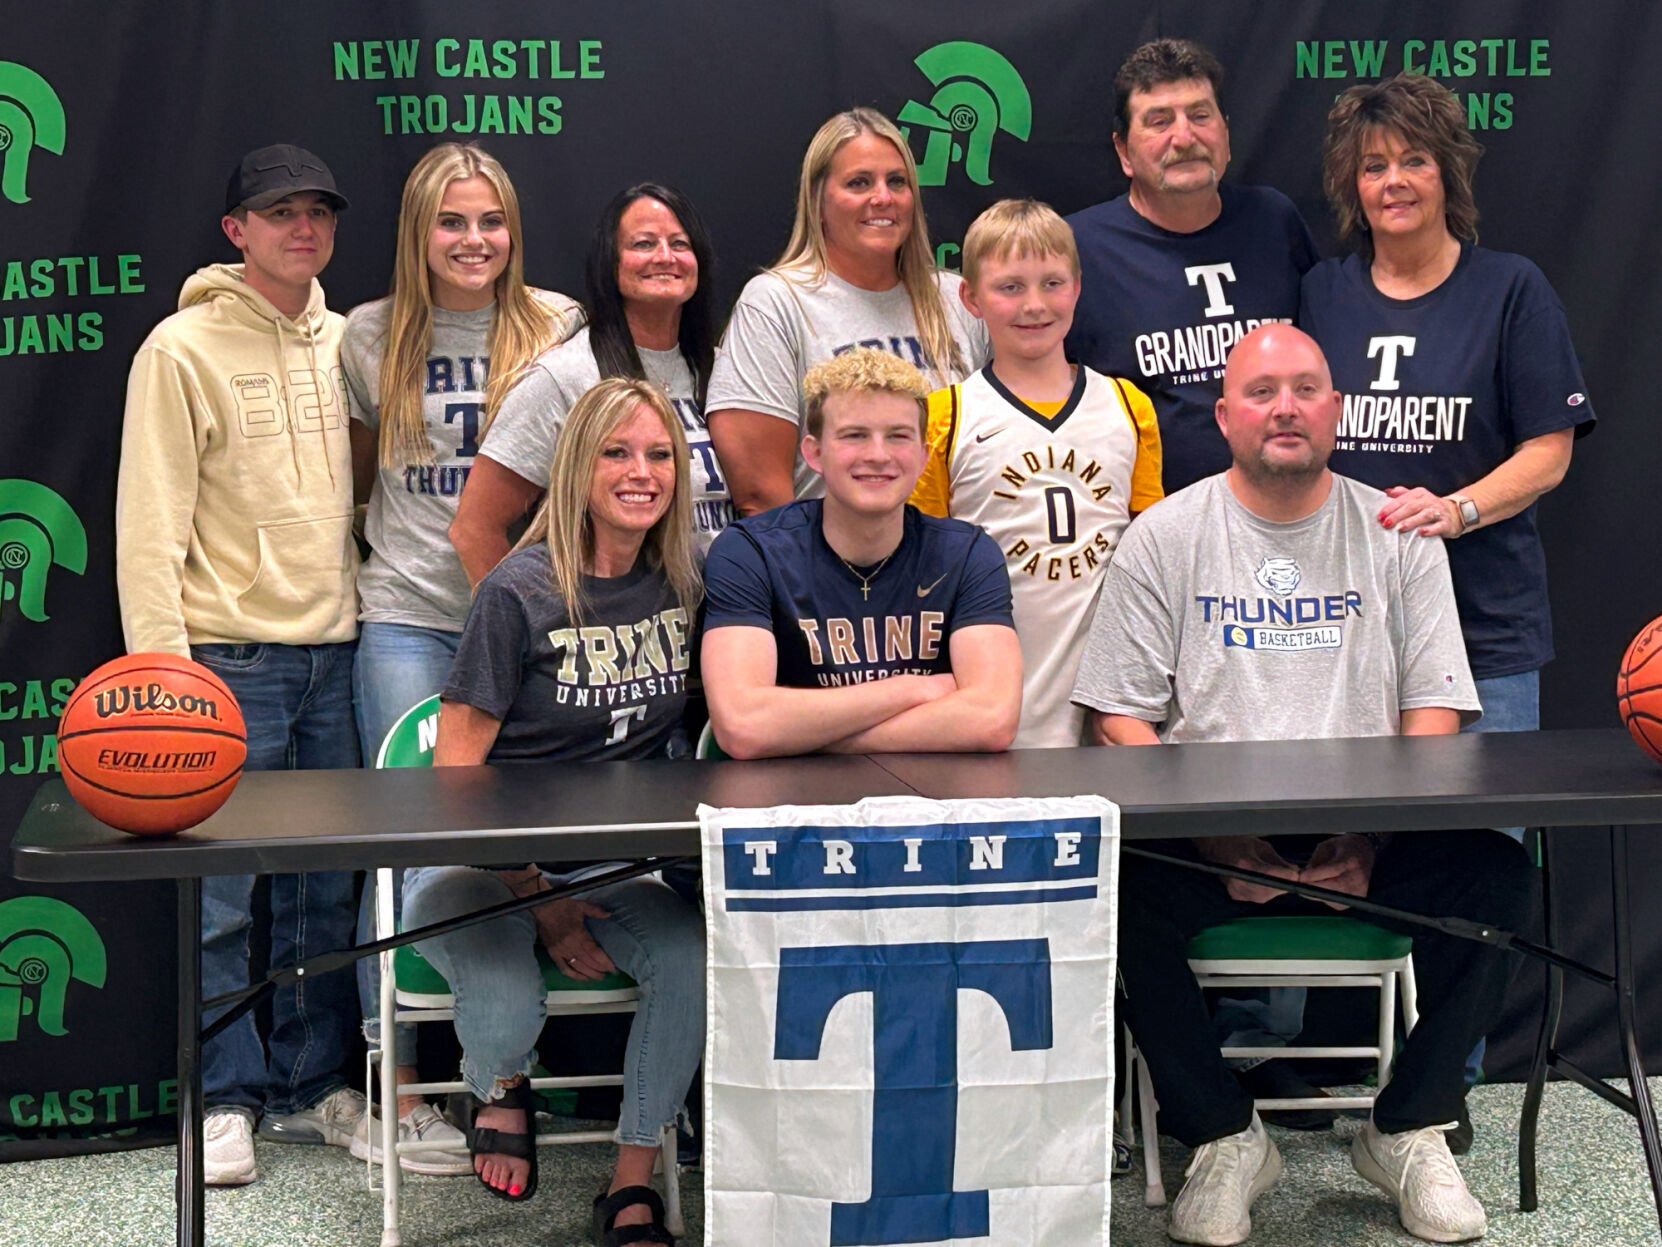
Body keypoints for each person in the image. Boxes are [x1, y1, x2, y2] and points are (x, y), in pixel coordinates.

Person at [1071, 324, 1533, 1245]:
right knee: (1111, 892)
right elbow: (1116, 716)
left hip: (1368, 835)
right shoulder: (1166, 534)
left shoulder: (1398, 535)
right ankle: (1223, 1134)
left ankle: (1407, 1122)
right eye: (1262, 391)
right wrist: (1214, 840)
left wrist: (1371, 836)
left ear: (1336, 409)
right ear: (1225, 413)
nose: (1285, 407)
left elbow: (1433, 710)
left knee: (1498, 878)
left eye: (1306, 389)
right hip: (1207, 842)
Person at [115, 145, 369, 1186]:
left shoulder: (352, 342)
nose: (300, 229)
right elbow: (148, 523)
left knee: (325, 892)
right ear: (237, 231)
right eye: (278, 213)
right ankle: (224, 1096)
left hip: (339, 655)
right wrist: (162, 679)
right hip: (226, 660)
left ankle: (315, 1085)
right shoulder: (179, 348)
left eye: (316, 211)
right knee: (222, 896)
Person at [405, 377, 704, 1245]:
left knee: (686, 959)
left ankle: (632, 1177)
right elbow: (455, 785)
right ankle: (498, 1082)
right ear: (576, 468)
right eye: (616, 452)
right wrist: (542, 897)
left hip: (609, 869)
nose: (639, 472)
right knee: (503, 1011)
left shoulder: (684, 581)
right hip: (476, 865)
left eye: (658, 455)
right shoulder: (517, 590)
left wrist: (580, 890)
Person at [341, 141, 582, 1175]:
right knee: (406, 845)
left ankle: (504, 1074)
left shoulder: (558, 322)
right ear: (418, 231)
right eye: (451, 221)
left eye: (489, 221)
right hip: (408, 614)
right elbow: (359, 475)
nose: (473, 239)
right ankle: (394, 1087)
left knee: (520, 838)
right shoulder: (370, 333)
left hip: (528, 627)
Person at [911, 198, 1162, 747]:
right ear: (971, 298)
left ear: (1077, 286)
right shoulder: (944, 418)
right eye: (1010, 287)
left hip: (1109, 712)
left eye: (1052, 283)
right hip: (991, 710)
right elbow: (919, 577)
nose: (1034, 305)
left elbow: (1152, 560)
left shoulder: (1127, 406)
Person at [701, 348, 1021, 758]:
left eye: (898, 436)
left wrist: (804, 734)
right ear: (814, 453)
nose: (878, 455)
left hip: (934, 806)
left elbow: (992, 720)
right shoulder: (750, 551)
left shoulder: (969, 553)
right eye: (855, 435)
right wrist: (914, 688)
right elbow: (744, 726)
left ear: (924, 455)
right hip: (793, 807)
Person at [706, 108, 989, 515]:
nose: (883, 197)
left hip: (955, 564)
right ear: (818, 201)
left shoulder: (956, 299)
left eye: (897, 181)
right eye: (859, 182)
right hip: (832, 570)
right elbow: (759, 493)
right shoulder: (777, 302)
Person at [1066, 38, 1318, 494]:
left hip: (1284, 508)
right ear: (1123, 151)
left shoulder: (1274, 220)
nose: (1184, 138)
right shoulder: (1075, 249)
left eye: (1200, 116)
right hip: (1147, 526)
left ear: (1225, 133)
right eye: (1159, 122)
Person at [452, 182, 730, 583]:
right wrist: (532, 627)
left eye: (680, 244)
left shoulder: (724, 371)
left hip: (722, 621)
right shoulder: (566, 376)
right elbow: (474, 529)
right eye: (643, 244)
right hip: (612, 635)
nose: (665, 257)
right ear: (610, 263)